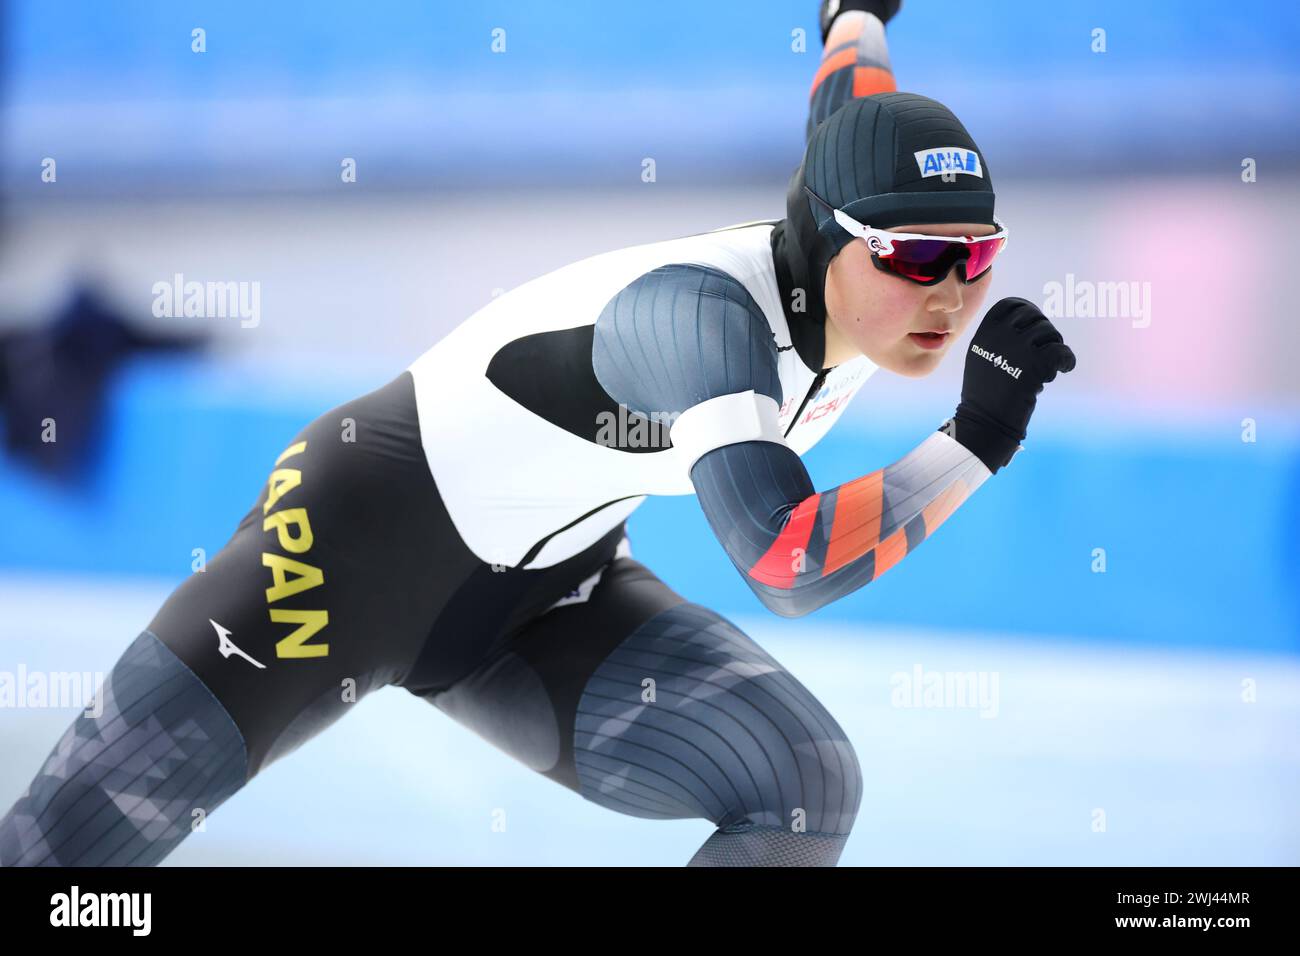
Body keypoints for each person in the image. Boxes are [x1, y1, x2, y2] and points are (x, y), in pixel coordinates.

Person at [0, 0, 1074, 867]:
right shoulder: (698, 320)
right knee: (58, 867)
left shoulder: (843, 220)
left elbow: (853, 99)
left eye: (975, 257)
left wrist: (855, 15)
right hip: (338, 553)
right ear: (831, 231)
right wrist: (976, 436)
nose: (949, 293)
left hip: (544, 597)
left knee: (800, 785)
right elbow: (785, 560)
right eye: (915, 257)